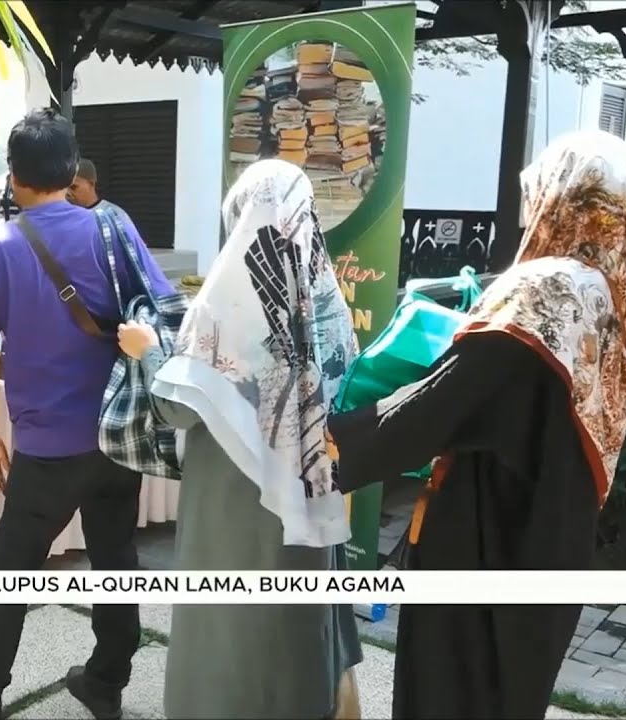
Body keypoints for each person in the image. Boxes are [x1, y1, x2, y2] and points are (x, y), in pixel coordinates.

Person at [327, 129, 626, 719]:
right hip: (553, 537)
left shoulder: (545, 289)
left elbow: (446, 400)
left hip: (488, 534)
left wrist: (330, 443)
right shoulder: (604, 295)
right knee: (511, 691)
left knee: (454, 690)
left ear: (565, 198)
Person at [117, 159, 363, 719]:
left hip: (231, 496)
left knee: (227, 625)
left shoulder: (224, 304)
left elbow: (176, 408)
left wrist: (147, 351)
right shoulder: (326, 297)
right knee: (294, 620)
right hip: (303, 491)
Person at [0, 109, 174, 720]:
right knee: (116, 560)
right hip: (117, 433)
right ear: (71, 170)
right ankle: (106, 680)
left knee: (10, 573)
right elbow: (161, 308)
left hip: (47, 447)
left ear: (13, 175)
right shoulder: (113, 228)